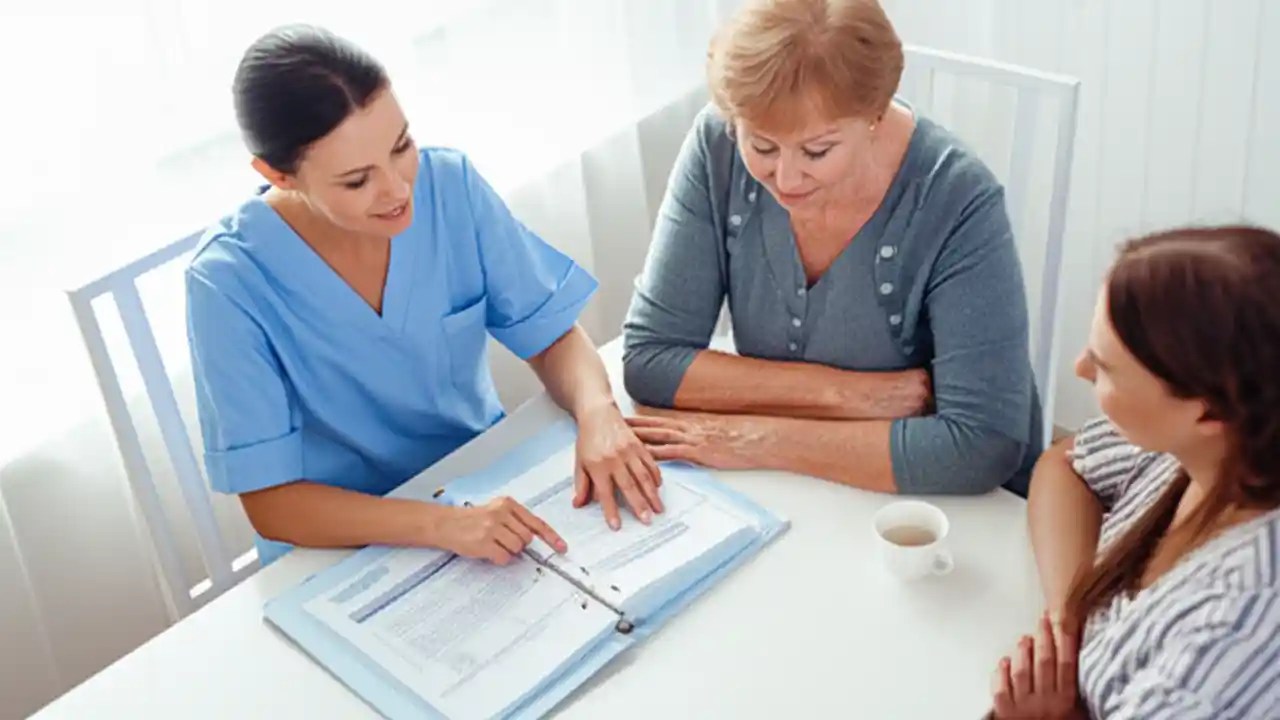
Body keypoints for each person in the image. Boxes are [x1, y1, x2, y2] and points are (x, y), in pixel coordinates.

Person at [186, 25, 662, 567]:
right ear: (278, 174)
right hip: (342, 550)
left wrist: (599, 413)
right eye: (357, 180)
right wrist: (444, 525)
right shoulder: (227, 282)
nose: (398, 189)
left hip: (484, 491)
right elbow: (275, 505)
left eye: (401, 146)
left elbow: (550, 335)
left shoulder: (449, 185)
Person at [621, 0, 1041, 496]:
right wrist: (847, 395)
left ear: (875, 115)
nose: (786, 177)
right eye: (762, 146)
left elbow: (981, 445)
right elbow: (651, 360)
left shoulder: (957, 199)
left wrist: (755, 439)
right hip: (809, 495)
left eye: (817, 151)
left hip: (947, 513)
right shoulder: (717, 143)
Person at [990, 226, 1280, 718]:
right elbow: (1065, 462)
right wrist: (1069, 619)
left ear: (1207, 411)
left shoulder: (1230, 636)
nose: (1079, 369)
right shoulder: (1200, 453)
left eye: (1104, 366)